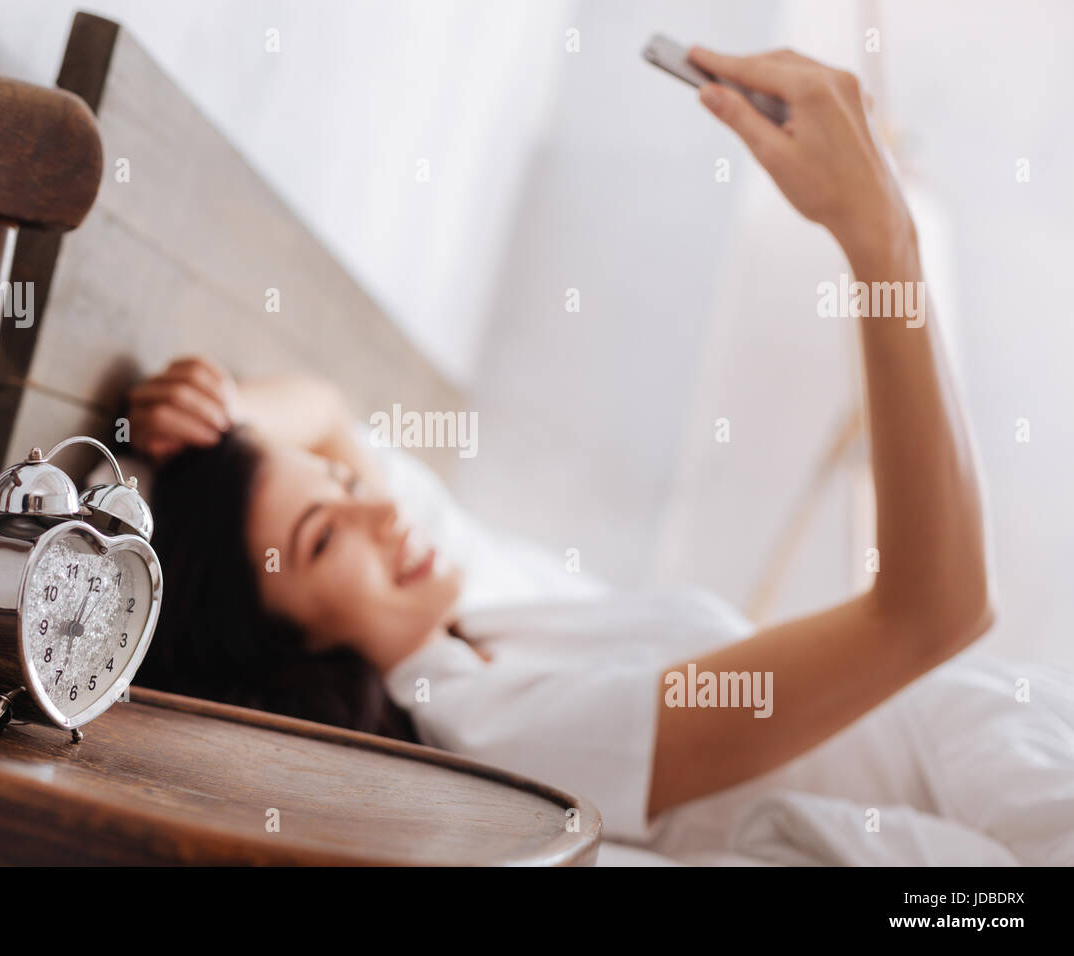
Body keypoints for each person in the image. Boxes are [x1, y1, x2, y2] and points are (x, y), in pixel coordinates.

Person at [126, 48, 1074, 863]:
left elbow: (328, 420)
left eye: (346, 490)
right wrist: (879, 234)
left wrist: (224, 408)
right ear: (295, 659)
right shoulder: (503, 733)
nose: (378, 509)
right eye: (329, 538)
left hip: (1018, 731)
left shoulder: (454, 598)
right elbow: (935, 612)